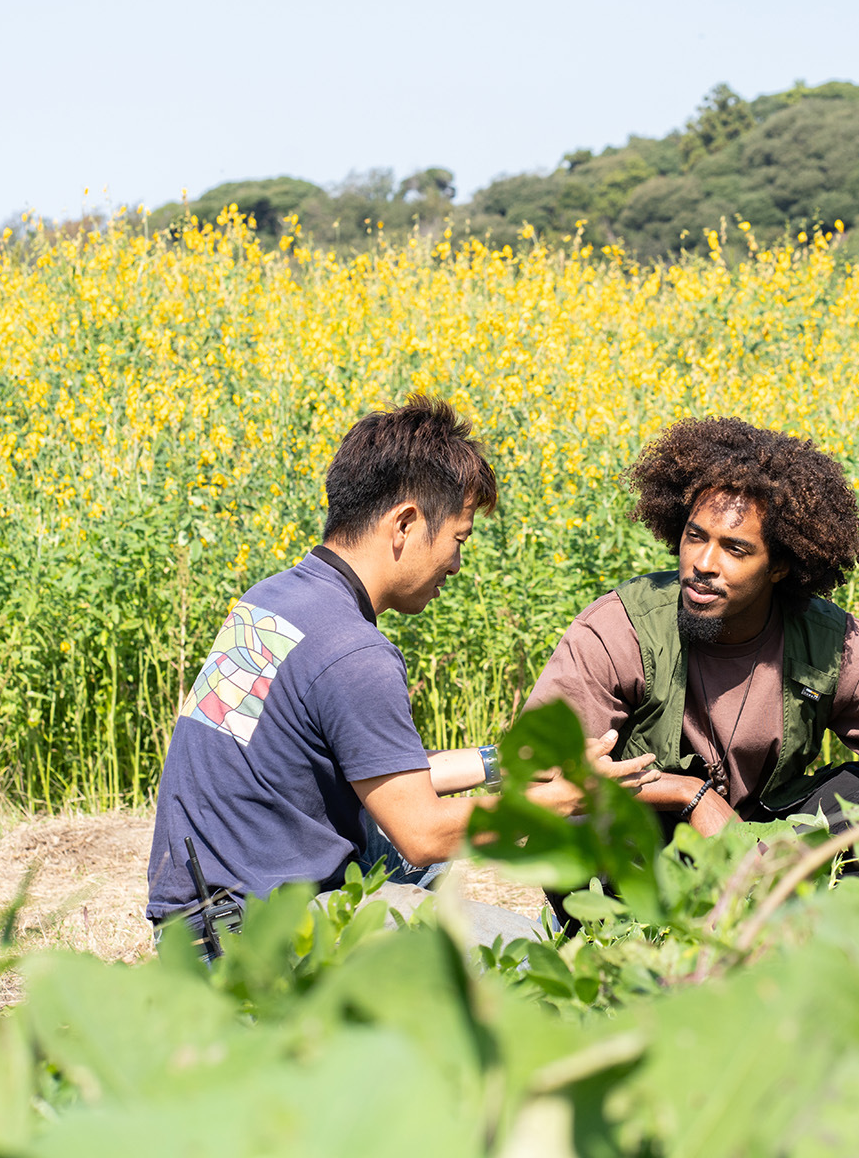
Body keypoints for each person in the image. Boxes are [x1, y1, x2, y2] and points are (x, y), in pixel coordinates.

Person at [147, 396, 655, 951]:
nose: (458, 565)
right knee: (538, 958)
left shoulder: (274, 600)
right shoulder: (353, 653)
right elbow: (424, 833)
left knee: (411, 870)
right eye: (459, 539)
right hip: (247, 938)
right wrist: (559, 799)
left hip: (195, 915)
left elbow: (385, 774)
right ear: (406, 524)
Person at [526, 417, 859, 839]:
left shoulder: (830, 646)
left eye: (735, 549)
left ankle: (805, 900)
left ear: (781, 566)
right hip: (645, 852)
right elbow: (537, 782)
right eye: (695, 537)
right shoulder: (620, 631)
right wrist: (685, 794)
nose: (704, 564)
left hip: (766, 841)